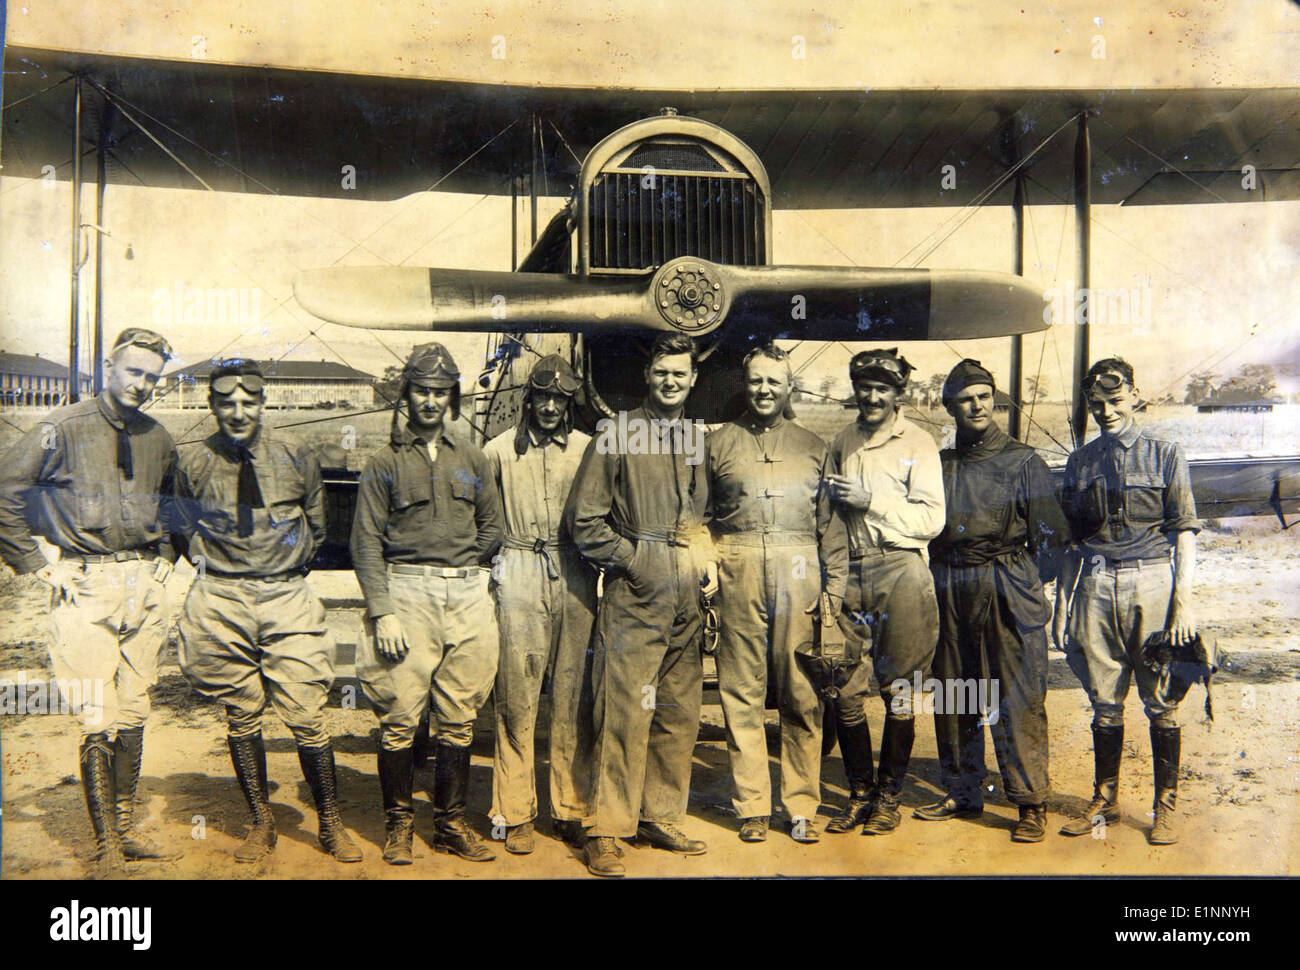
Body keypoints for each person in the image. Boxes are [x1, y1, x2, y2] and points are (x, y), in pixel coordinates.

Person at [0, 327, 182, 871]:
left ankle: (124, 826)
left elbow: (173, 502)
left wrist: (168, 559)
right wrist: (35, 565)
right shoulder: (62, 426)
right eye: (134, 372)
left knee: (134, 708)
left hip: (145, 587)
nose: (142, 384)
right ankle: (104, 842)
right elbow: (4, 493)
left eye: (152, 376)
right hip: (85, 583)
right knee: (97, 715)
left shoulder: (158, 437)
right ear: (109, 367)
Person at [171, 359, 361, 864]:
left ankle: (330, 823)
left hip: (285, 596)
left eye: (248, 402)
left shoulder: (296, 453)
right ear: (212, 406)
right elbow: (179, 524)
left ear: (262, 401)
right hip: (222, 599)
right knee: (240, 714)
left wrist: (283, 567)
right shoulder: (192, 462)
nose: (238, 412)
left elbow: (318, 525)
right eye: (226, 403)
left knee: (308, 714)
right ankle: (261, 823)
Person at [563, 333, 717, 877]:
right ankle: (604, 826)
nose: (671, 381)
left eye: (680, 373)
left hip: (688, 588)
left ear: (692, 379)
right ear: (647, 376)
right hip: (638, 588)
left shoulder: (696, 438)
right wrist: (632, 559)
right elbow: (584, 521)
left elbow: (703, 515)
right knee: (623, 709)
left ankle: (660, 814)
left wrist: (703, 563)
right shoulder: (616, 434)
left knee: (678, 709)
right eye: (662, 373)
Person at [351, 342, 504, 864]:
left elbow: (492, 527)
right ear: (406, 395)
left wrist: (465, 570)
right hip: (406, 596)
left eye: (440, 392)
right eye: (421, 391)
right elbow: (365, 542)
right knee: (398, 714)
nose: (430, 401)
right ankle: (398, 826)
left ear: (451, 398)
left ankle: (451, 825)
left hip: (465, 594)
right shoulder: (383, 462)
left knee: (459, 716)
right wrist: (383, 609)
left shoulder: (473, 458)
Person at [916, 359, 1069, 842]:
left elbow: (1052, 541)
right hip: (951, 583)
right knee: (955, 691)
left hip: (1007, 584)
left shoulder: (1024, 462)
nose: (977, 405)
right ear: (950, 407)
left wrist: (1018, 579)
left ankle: (1029, 802)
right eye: (966, 398)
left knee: (1017, 694)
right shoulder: (940, 465)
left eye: (984, 396)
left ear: (995, 400)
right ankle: (963, 790)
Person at [705, 344, 848, 844]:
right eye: (756, 381)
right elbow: (700, 518)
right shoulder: (718, 443)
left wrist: (832, 592)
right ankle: (752, 808)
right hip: (738, 573)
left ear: (789, 386)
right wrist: (708, 564)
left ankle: (802, 805)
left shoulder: (814, 445)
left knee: (801, 693)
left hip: (799, 573)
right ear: (745, 385)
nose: (764, 390)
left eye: (774, 381)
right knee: (739, 692)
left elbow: (830, 528)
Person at [1055, 358, 1200, 845]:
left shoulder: (1165, 453)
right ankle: (1105, 800)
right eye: (1096, 404)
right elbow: (1073, 543)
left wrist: (1183, 605)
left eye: (1115, 401)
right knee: (1104, 704)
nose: (1106, 411)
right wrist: (1061, 605)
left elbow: (1185, 535)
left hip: (1153, 585)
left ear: (1135, 395)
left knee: (1161, 702)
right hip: (1096, 588)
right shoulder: (1081, 462)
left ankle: (1166, 808)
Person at [823, 348, 944, 836]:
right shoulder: (841, 441)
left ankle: (889, 797)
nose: (872, 397)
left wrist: (872, 501)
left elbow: (932, 520)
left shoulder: (919, 441)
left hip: (902, 570)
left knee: (902, 691)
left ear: (899, 395)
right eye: (865, 387)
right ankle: (858, 793)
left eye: (883, 389)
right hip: (850, 572)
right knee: (844, 689)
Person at [483, 355, 597, 855]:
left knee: (574, 694)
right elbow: (482, 524)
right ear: (528, 399)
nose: (550, 406)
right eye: (542, 397)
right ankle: (515, 810)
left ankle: (571, 808)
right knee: (517, 695)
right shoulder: (497, 452)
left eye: (560, 398)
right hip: (518, 567)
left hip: (574, 569)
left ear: (570, 402)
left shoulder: (588, 450)